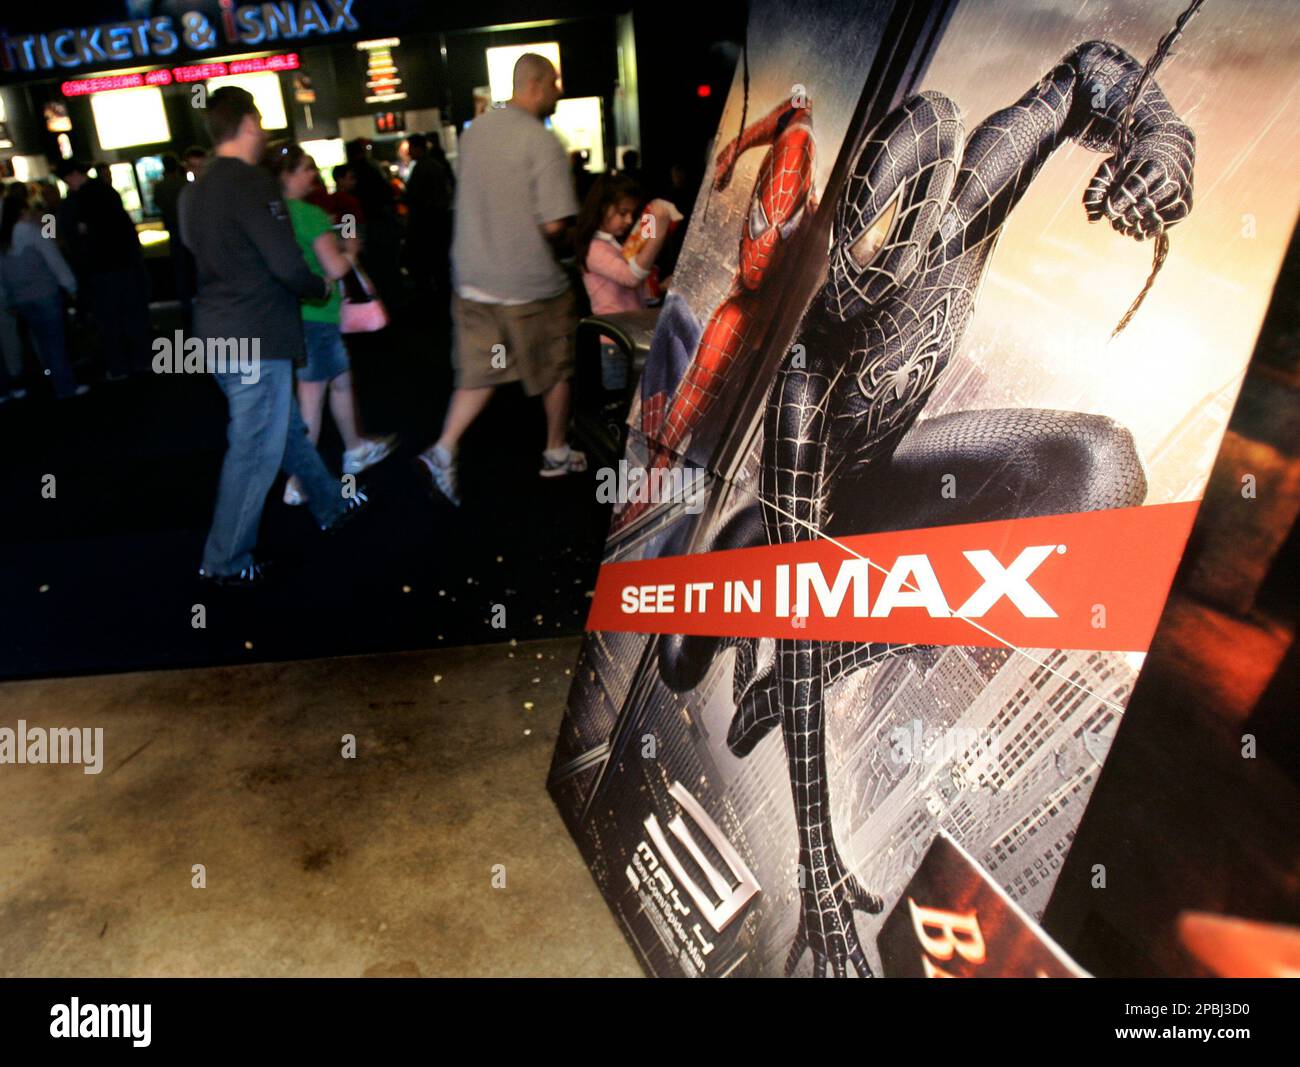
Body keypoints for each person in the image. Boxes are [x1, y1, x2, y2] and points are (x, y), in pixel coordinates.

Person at [186, 86, 368, 586]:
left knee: (280, 429)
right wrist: (319, 284)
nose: (263, 132)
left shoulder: (194, 188)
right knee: (254, 446)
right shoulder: (252, 183)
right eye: (260, 122)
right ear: (247, 123)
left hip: (216, 332)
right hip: (256, 334)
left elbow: (199, 252)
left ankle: (330, 503)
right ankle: (225, 560)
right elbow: (285, 261)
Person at [416, 53, 582, 505]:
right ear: (537, 83)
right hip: (528, 286)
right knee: (555, 365)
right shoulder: (542, 142)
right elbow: (553, 225)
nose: (559, 91)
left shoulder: (475, 134)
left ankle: (444, 448)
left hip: (471, 280)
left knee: (481, 371)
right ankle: (555, 452)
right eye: (555, 82)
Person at [268, 142, 395, 506]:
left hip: (291, 315)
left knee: (340, 382)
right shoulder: (309, 215)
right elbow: (337, 268)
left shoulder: (271, 215)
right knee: (311, 400)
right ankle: (299, 480)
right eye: (306, 168)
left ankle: (355, 448)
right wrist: (350, 250)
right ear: (288, 175)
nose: (314, 174)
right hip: (319, 316)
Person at [574, 174, 674, 391]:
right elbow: (631, 278)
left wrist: (661, 286)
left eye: (632, 213)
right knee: (624, 404)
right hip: (614, 343)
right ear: (601, 208)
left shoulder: (615, 245)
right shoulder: (594, 249)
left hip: (630, 338)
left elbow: (640, 284)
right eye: (622, 213)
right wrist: (658, 234)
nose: (629, 220)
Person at [55, 158, 152, 380]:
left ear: (70, 177)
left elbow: (69, 238)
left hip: (98, 270)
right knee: (133, 315)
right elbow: (126, 229)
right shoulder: (108, 193)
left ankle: (118, 367)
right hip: (124, 263)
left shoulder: (73, 202)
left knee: (109, 321)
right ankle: (143, 360)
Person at [0, 183, 86, 399]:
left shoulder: (4, 238)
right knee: (55, 340)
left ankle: (44, 374)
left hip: (21, 297)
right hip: (44, 291)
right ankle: (65, 383)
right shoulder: (36, 226)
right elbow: (54, 256)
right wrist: (70, 285)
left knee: (38, 338)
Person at [402, 133, 454, 294]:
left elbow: (415, 197)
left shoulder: (423, 168)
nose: (409, 153)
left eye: (410, 149)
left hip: (426, 224)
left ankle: (431, 298)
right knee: (440, 264)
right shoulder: (434, 165)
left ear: (418, 148)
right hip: (438, 221)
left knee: (428, 263)